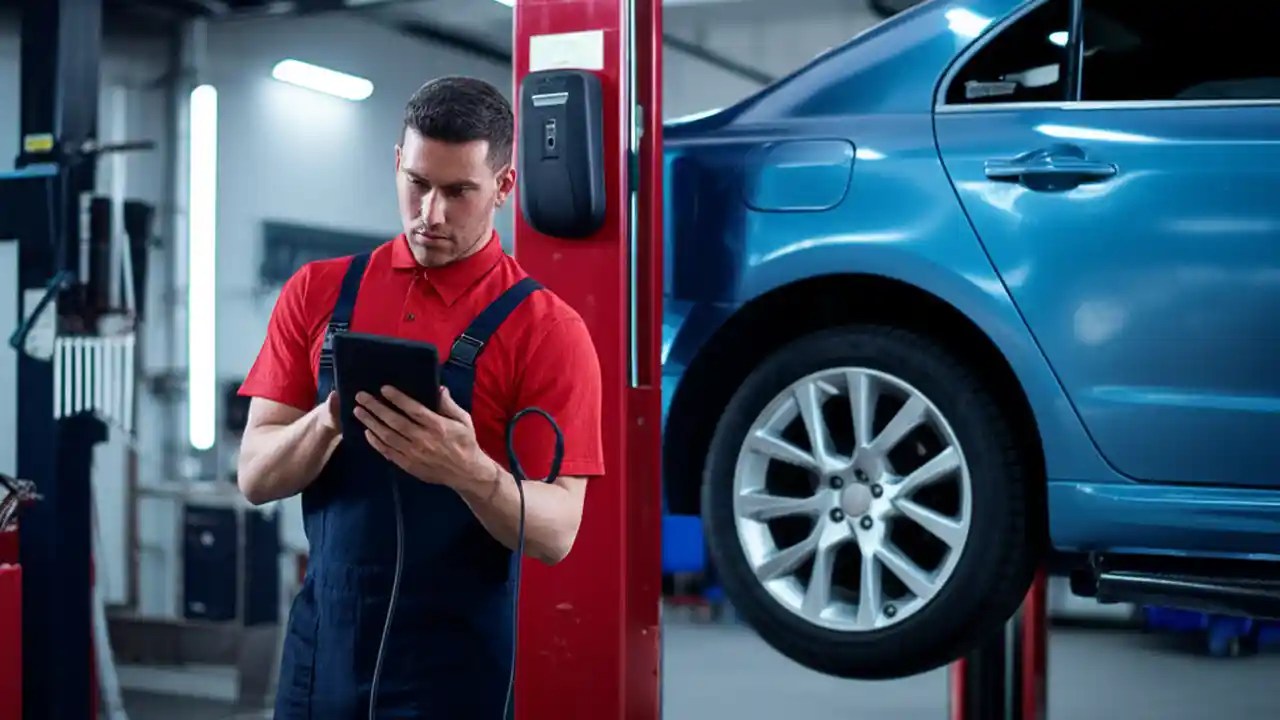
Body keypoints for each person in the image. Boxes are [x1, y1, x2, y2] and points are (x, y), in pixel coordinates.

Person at [235, 75, 604, 719]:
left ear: (504, 188)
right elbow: (256, 477)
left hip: (454, 671)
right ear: (397, 163)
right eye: (418, 183)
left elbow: (557, 532)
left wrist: (469, 471)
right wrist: (328, 420)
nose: (430, 213)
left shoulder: (546, 330)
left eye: (459, 192)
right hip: (322, 650)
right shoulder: (317, 293)